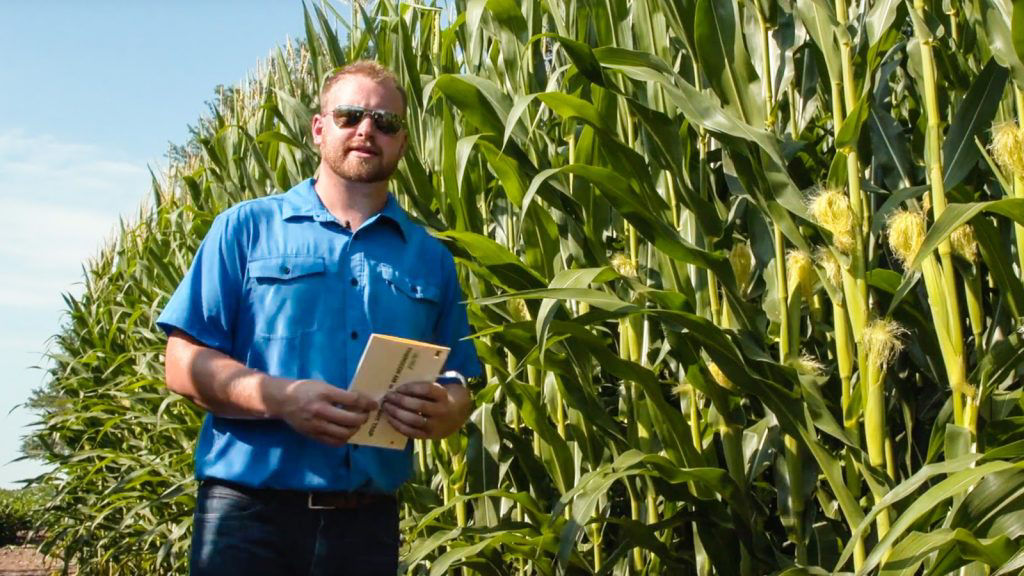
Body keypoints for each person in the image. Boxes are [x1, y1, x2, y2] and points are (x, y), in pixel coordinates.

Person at [157, 60, 480, 576]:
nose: (366, 130)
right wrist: (282, 399)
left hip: (366, 525)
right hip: (247, 517)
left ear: (401, 142)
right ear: (319, 128)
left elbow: (460, 377)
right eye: (350, 116)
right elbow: (182, 362)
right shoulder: (245, 229)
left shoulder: (430, 258)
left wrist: (448, 409)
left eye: (385, 122)